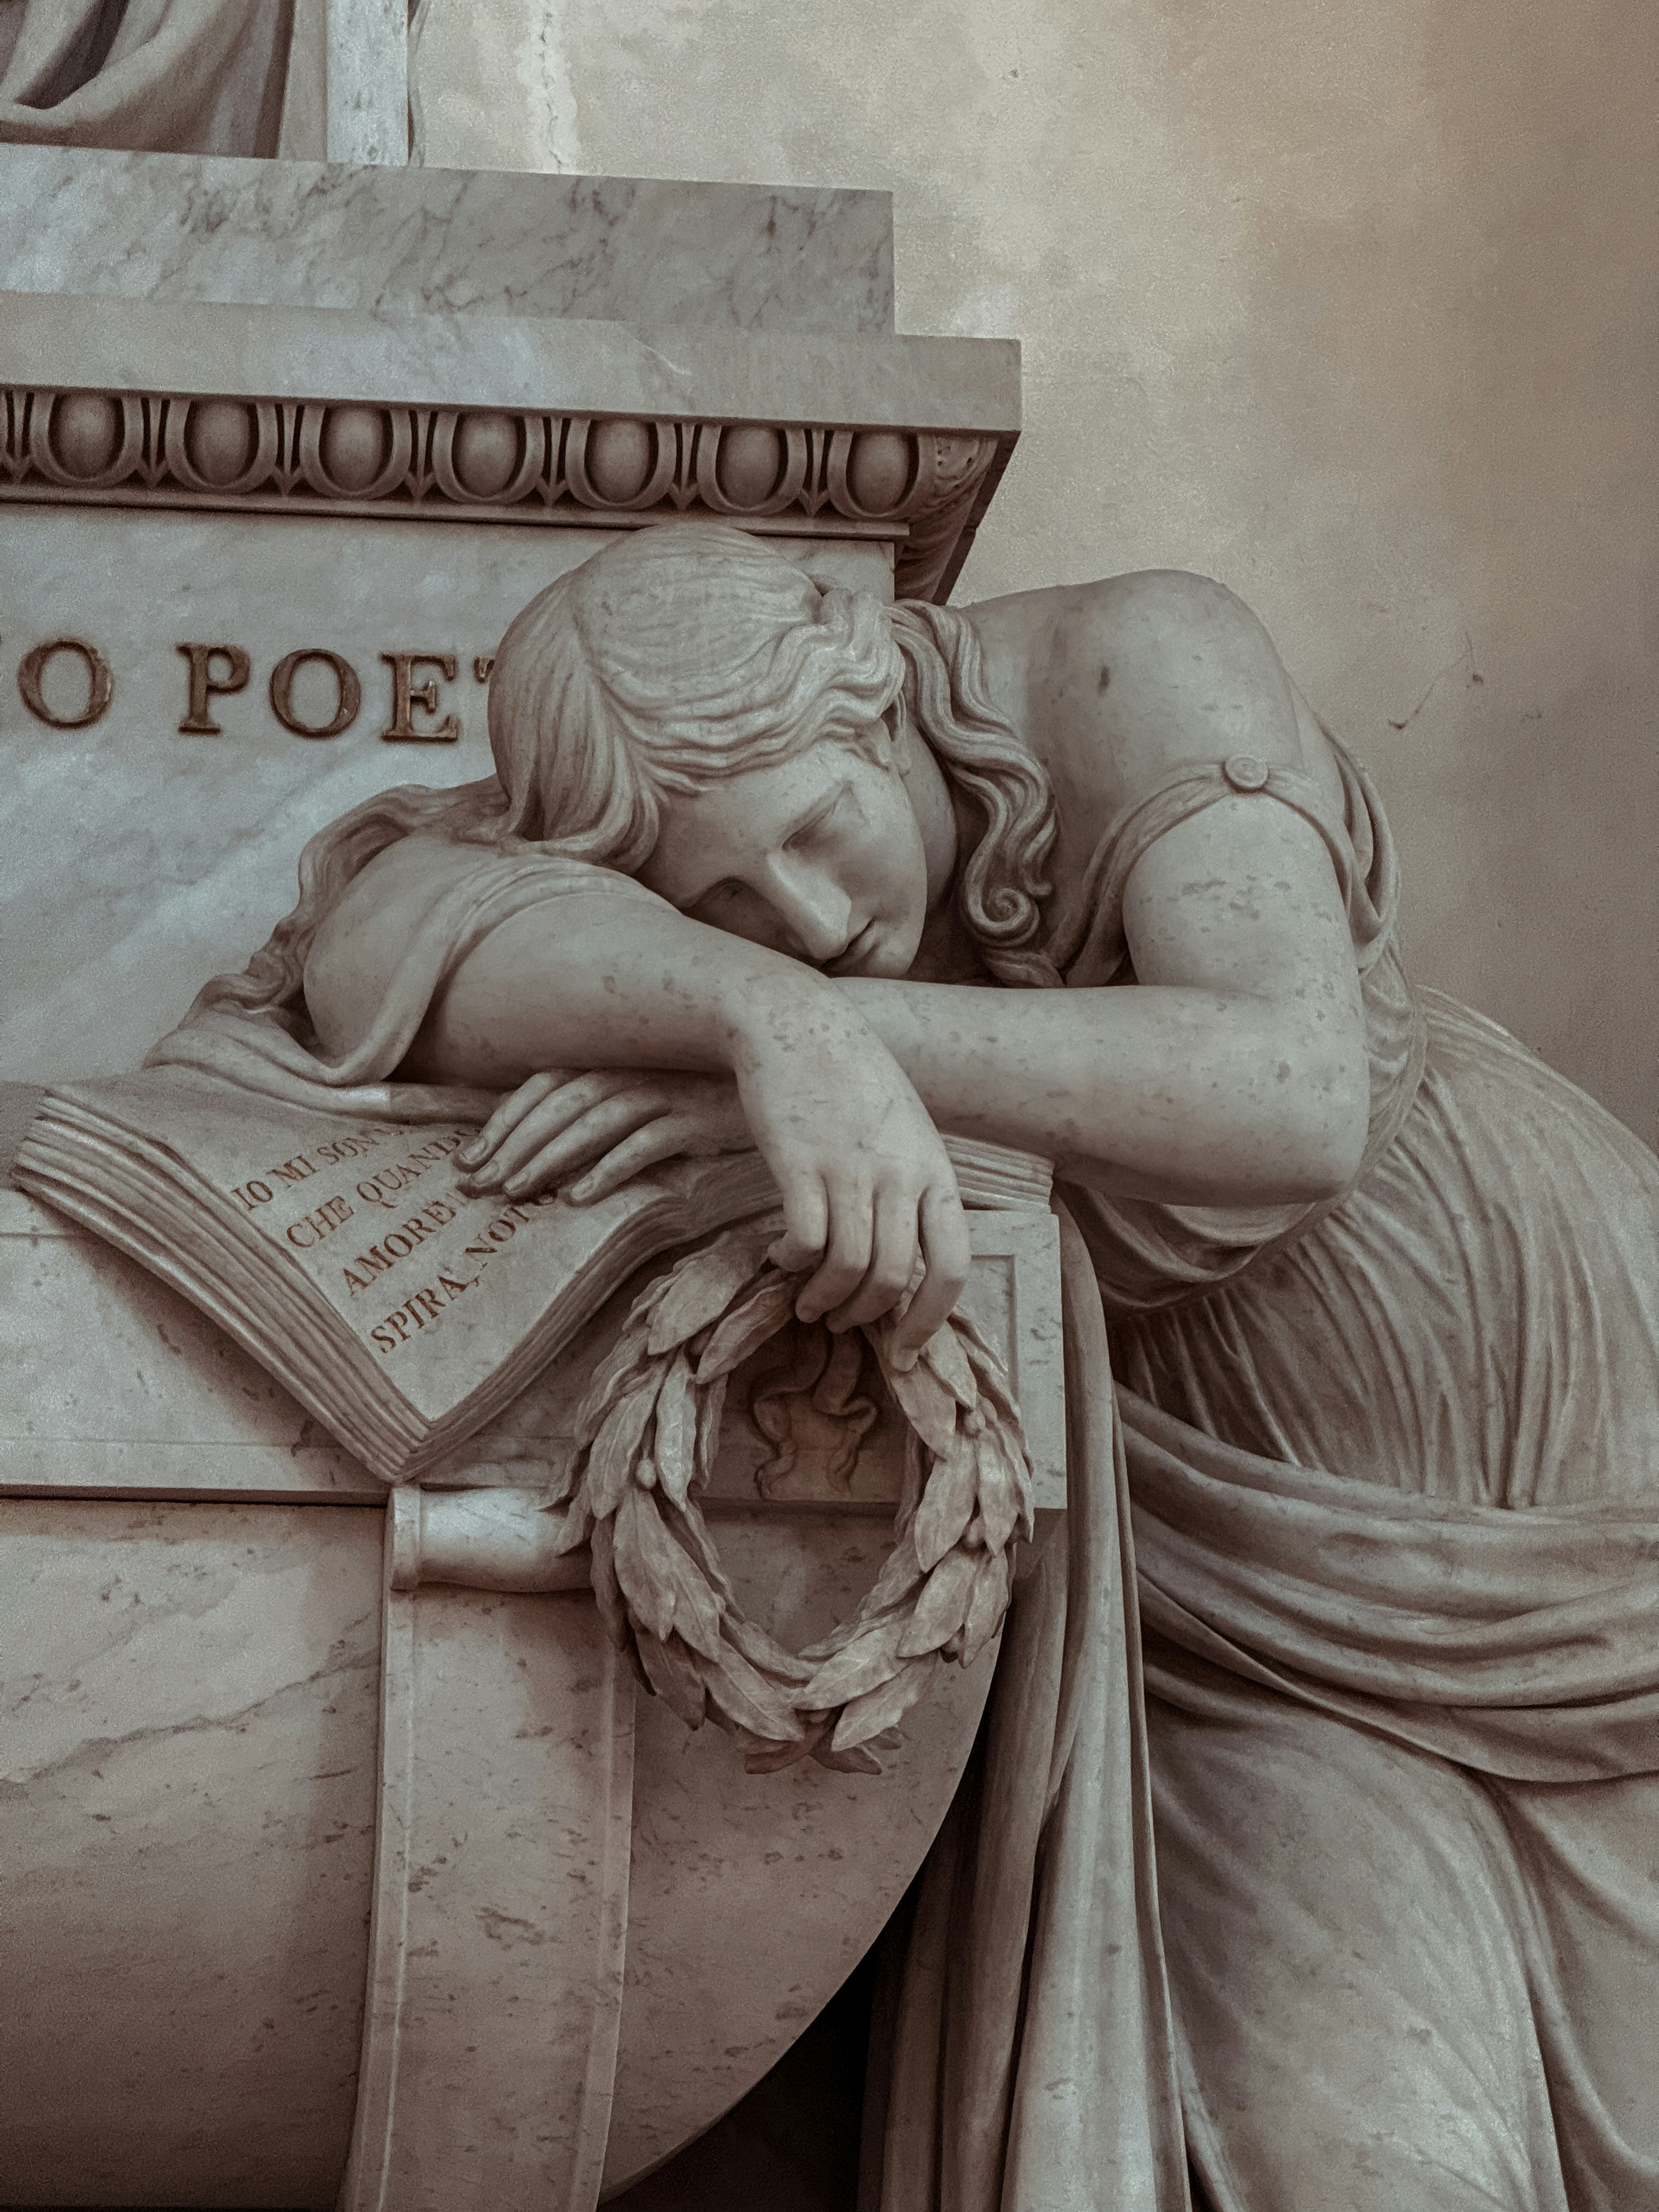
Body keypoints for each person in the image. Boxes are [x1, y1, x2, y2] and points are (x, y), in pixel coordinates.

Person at [153, 521, 1659, 2212]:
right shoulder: (735, 944)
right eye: (722, 900)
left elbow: (1291, 1093)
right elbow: (380, 937)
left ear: (870, 693)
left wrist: (831, 1049)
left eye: (815, 831)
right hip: (1210, 1581)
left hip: (1561, 1424)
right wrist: (751, 1019)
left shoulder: (1137, 660)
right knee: (1364, 2151)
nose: (805, 916)